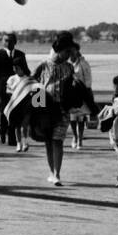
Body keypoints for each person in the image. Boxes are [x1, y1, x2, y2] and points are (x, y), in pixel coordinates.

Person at [34, 31, 80, 186]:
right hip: (46, 109)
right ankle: (52, 172)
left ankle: (57, 174)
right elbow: (36, 85)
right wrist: (37, 106)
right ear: (59, 49)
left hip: (62, 110)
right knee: (48, 142)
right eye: (67, 51)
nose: (68, 55)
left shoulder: (69, 67)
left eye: (70, 52)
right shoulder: (44, 64)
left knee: (58, 141)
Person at [0, 33, 29, 146]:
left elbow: (26, 70)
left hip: (17, 87)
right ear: (3, 42)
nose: (8, 43)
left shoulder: (21, 55)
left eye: (10, 41)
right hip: (3, 88)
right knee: (5, 111)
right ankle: (2, 132)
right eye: (6, 40)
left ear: (15, 42)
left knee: (15, 112)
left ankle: (11, 138)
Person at [69, 42, 94, 150]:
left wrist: (86, 90)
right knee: (72, 117)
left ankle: (80, 139)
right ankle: (74, 136)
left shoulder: (83, 63)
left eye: (73, 50)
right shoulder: (68, 63)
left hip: (82, 93)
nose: (71, 53)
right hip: (71, 93)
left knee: (81, 117)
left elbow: (88, 79)